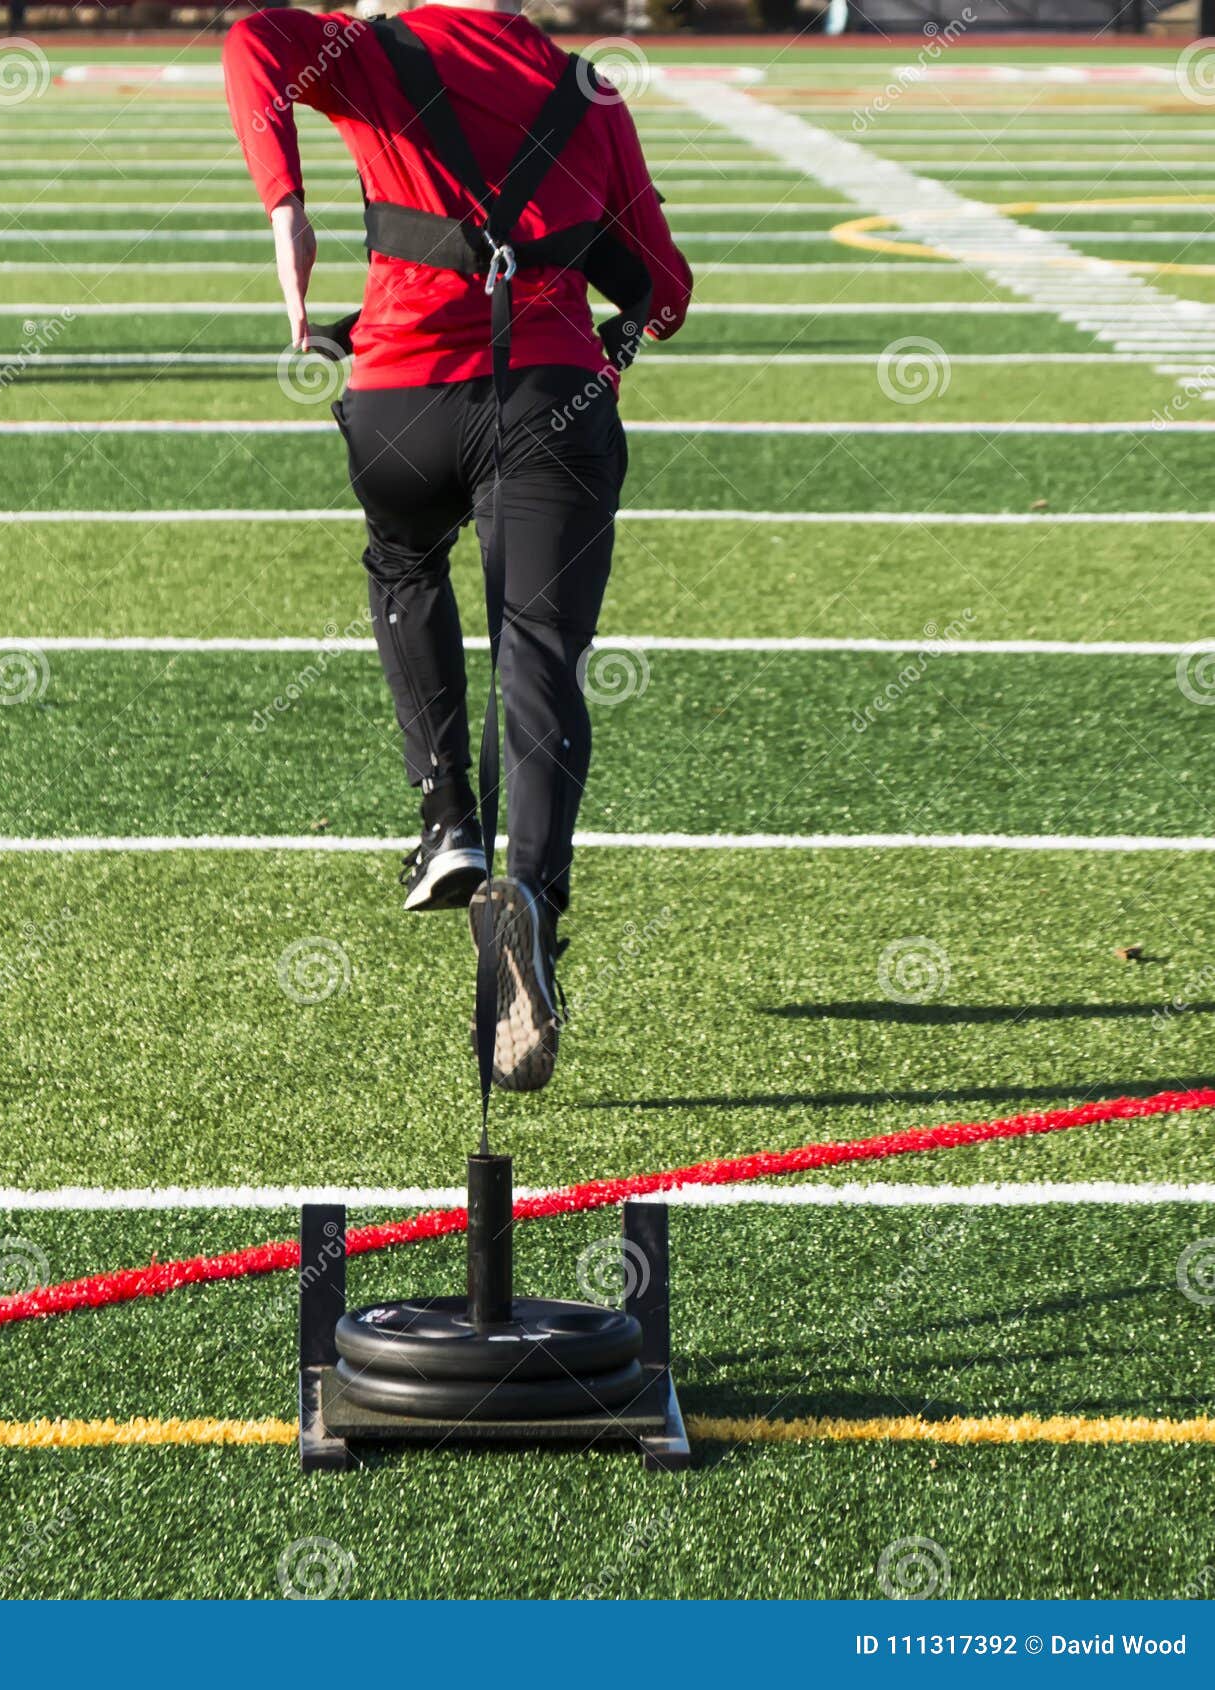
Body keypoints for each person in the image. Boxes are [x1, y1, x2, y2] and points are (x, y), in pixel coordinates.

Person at [225, 1, 692, 1092]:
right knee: (536, 649)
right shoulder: (589, 91)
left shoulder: (376, 52)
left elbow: (251, 39)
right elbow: (663, 287)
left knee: (402, 560)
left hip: (400, 407)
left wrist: (287, 208)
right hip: (549, 406)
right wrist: (609, 338)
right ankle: (528, 888)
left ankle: (447, 822)